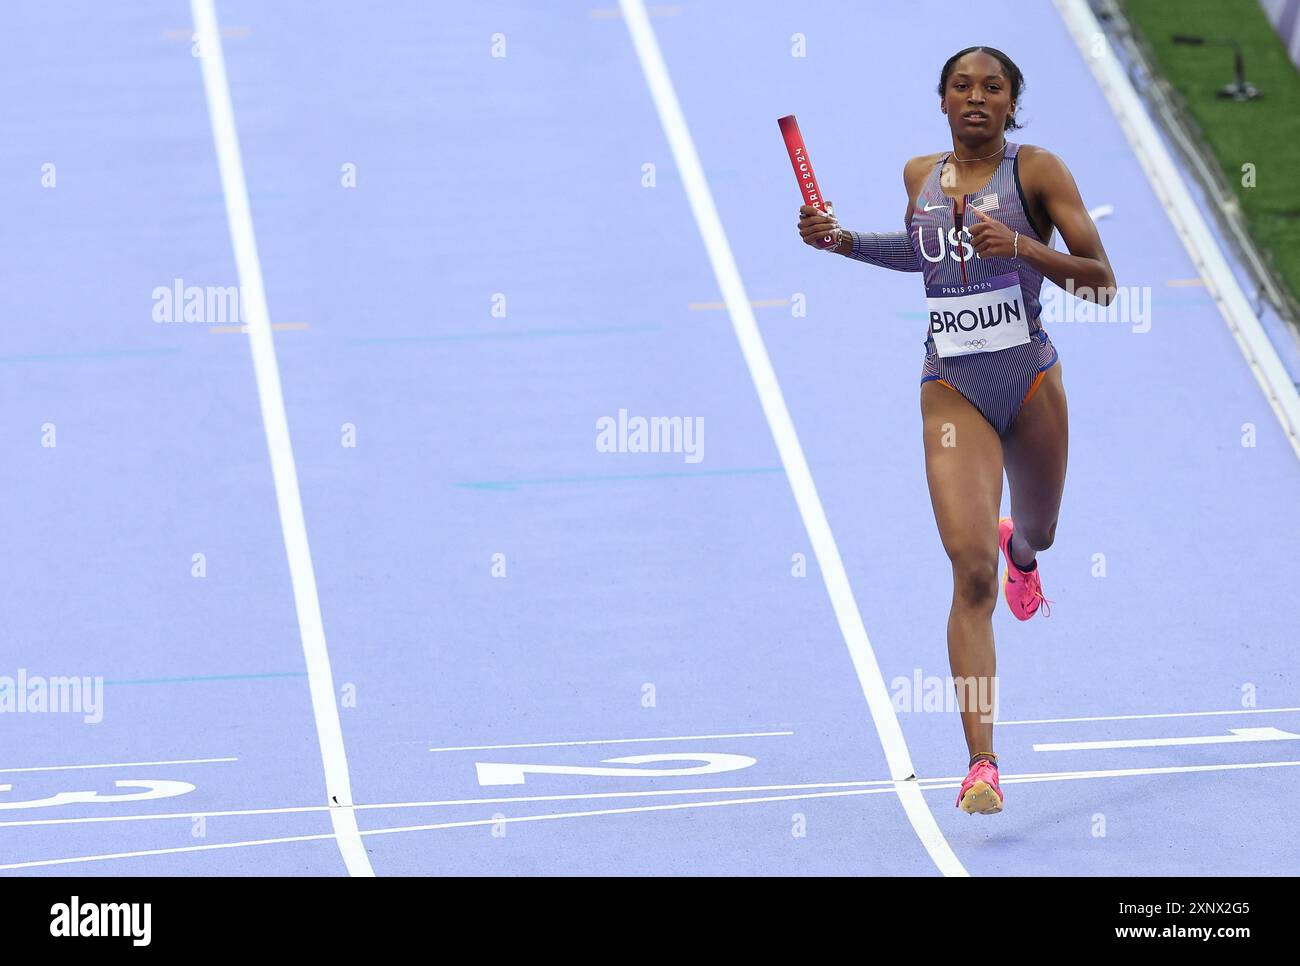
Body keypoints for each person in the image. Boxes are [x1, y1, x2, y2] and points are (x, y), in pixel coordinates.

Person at [796, 46, 1116, 815]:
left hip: (1031, 381)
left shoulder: (1039, 173)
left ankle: (1025, 551)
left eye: (993, 88)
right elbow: (923, 256)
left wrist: (1024, 247)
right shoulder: (919, 176)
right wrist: (841, 241)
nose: (976, 97)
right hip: (952, 387)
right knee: (969, 574)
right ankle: (982, 763)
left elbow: (1103, 285)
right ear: (942, 102)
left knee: (1040, 531)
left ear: (1012, 103)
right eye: (962, 87)